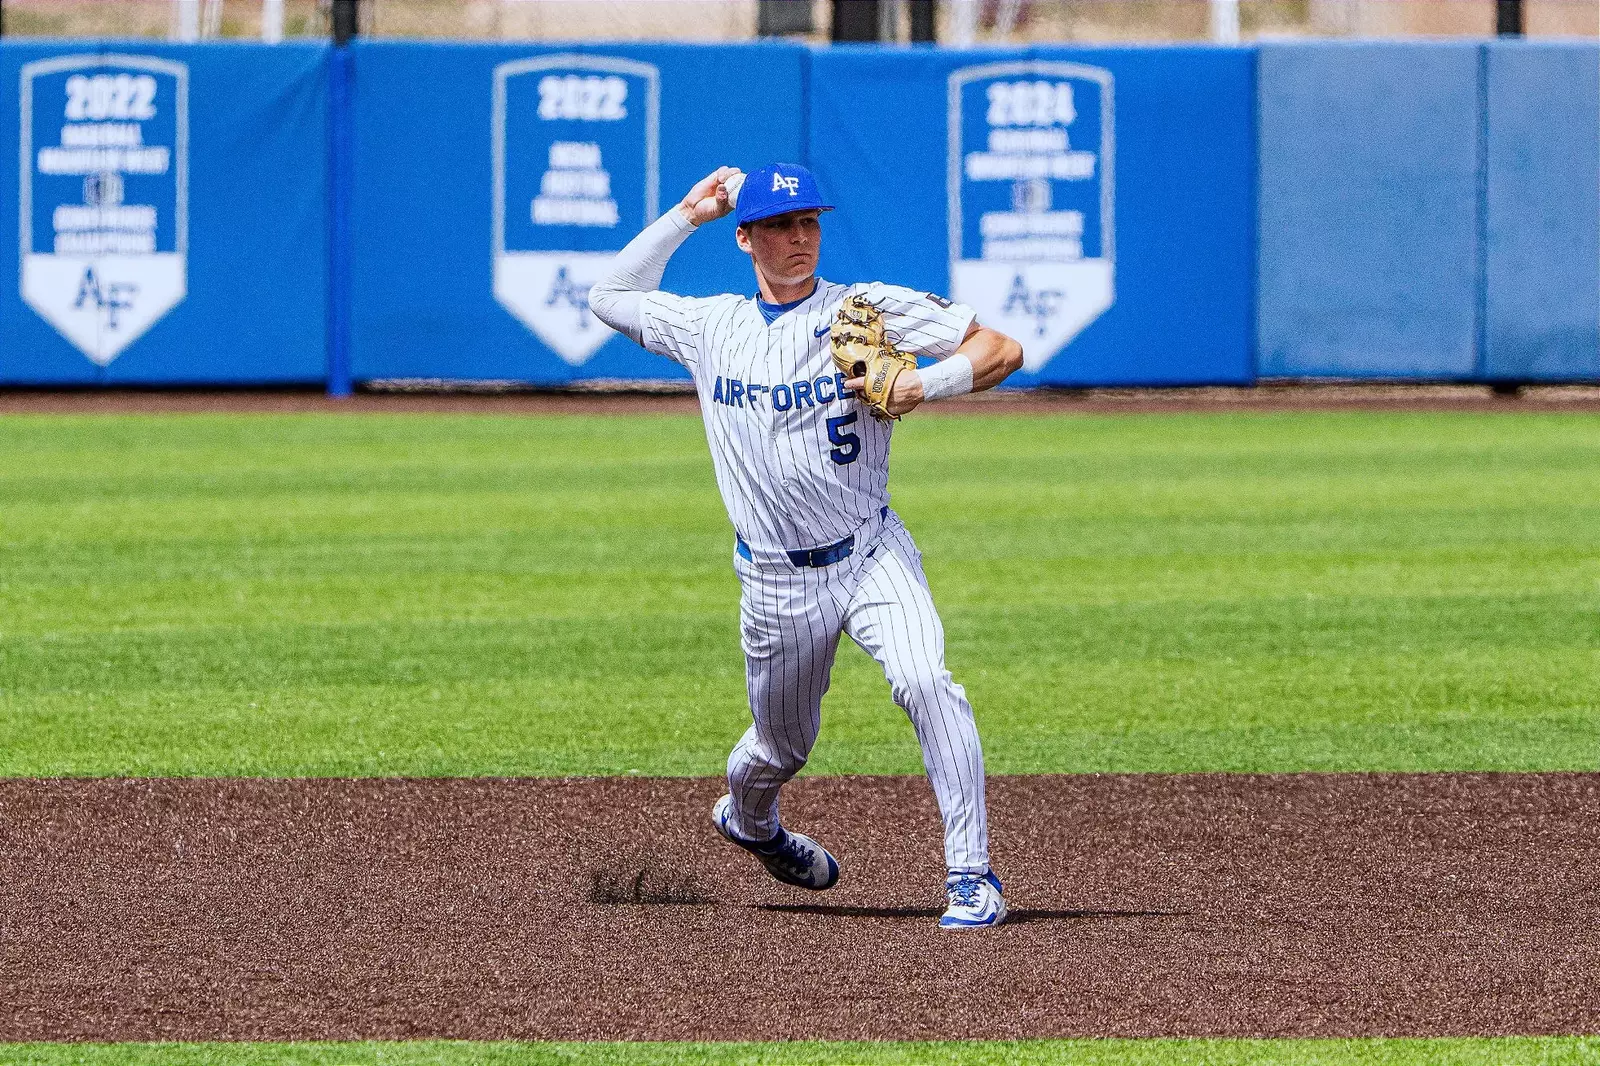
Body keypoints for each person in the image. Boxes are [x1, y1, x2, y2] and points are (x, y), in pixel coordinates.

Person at [588, 163, 1023, 929]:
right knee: (779, 749)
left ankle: (971, 877)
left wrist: (929, 384)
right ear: (746, 238)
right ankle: (751, 821)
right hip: (776, 585)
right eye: (782, 226)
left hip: (871, 551)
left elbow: (1001, 349)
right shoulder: (710, 327)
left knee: (927, 680)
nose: (800, 238)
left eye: (810, 223)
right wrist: (688, 214)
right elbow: (609, 297)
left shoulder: (865, 310)